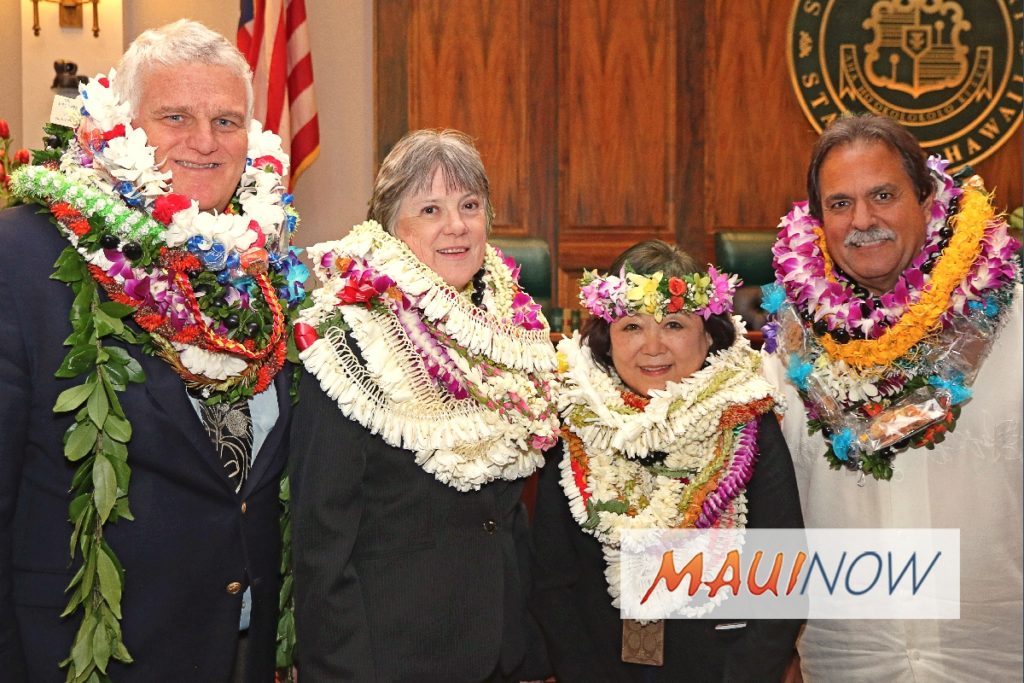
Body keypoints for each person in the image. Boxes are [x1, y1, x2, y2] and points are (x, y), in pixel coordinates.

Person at [0, 20, 307, 682]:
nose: (204, 140)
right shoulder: (23, 255)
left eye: (227, 121)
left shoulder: (264, 269)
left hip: (240, 656)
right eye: (175, 116)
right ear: (123, 123)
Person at [289, 128, 558, 681]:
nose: (456, 226)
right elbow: (323, 542)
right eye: (430, 208)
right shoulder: (347, 340)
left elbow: (506, 516)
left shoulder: (514, 334)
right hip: (390, 656)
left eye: (470, 205)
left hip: (501, 651)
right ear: (390, 227)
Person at [761, 113, 1023, 680]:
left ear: (928, 199)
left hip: (996, 654)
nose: (863, 221)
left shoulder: (1011, 318)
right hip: (850, 659)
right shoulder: (785, 350)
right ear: (818, 220)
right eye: (839, 204)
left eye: (883, 195)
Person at [530, 240, 804, 682]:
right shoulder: (573, 427)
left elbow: (783, 581)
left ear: (710, 334)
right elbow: (551, 584)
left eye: (673, 324)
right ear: (606, 339)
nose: (652, 347)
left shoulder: (749, 423)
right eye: (631, 327)